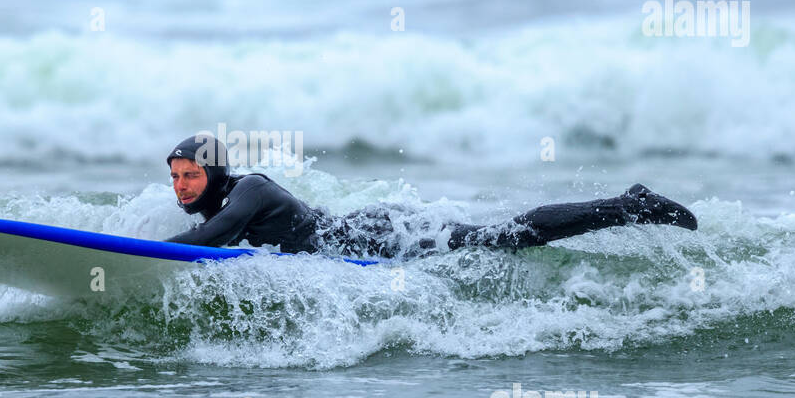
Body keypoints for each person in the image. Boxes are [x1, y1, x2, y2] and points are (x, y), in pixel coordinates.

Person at [163, 133, 697, 258]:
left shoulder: (249, 190)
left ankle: (631, 205)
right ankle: (629, 204)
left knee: (505, 237)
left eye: (190, 176)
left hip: (379, 238)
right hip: (359, 231)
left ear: (214, 173)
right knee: (501, 237)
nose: (181, 186)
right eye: (175, 178)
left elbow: (212, 239)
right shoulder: (222, 197)